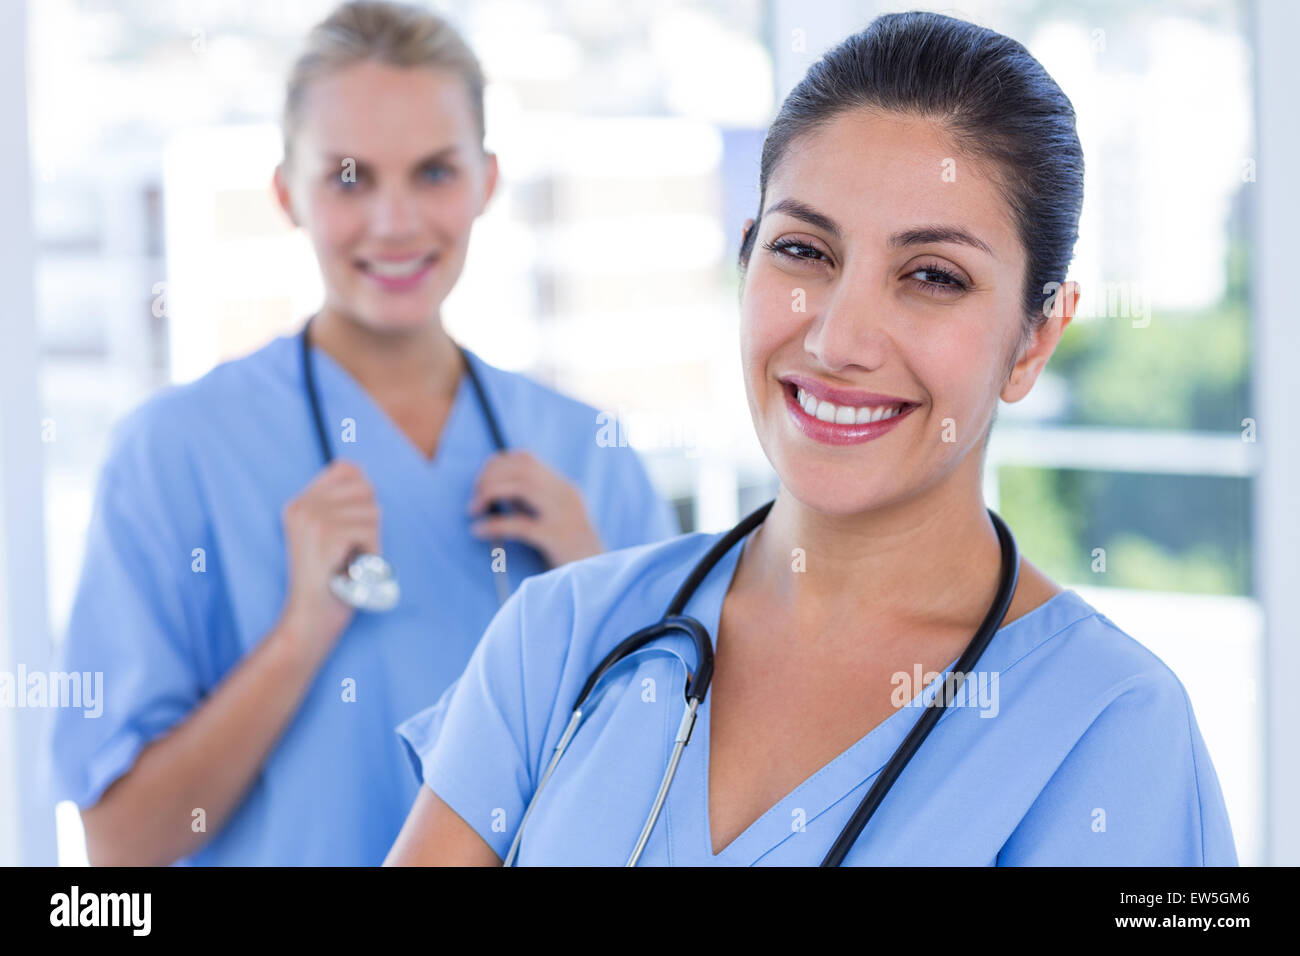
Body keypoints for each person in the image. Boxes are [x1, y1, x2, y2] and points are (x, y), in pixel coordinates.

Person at [385, 11, 1238, 866]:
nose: (837, 339)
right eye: (803, 250)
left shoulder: (1115, 725)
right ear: (748, 259)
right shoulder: (561, 637)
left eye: (933, 276)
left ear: (1037, 337)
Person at [48, 0, 677, 866]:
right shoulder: (173, 454)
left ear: (488, 181)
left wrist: (595, 609)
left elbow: (689, 800)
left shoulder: (587, 456)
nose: (394, 222)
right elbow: (120, 846)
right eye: (349, 176)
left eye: (434, 173)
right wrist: (301, 632)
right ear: (286, 194)